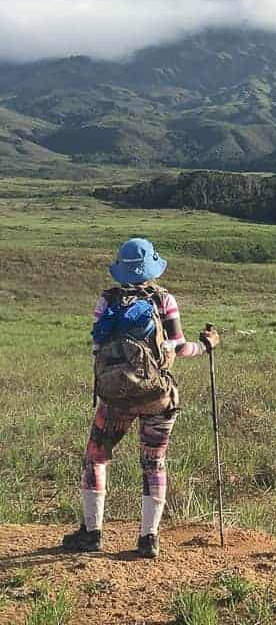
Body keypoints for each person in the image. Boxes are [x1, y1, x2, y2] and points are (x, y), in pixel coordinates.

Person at [61, 238, 220, 559]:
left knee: (96, 455)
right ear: (152, 267)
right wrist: (207, 345)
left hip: (115, 397)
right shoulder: (164, 301)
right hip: (157, 396)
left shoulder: (106, 301)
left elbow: (96, 347)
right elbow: (178, 347)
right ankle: (149, 538)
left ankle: (91, 533)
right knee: (153, 462)